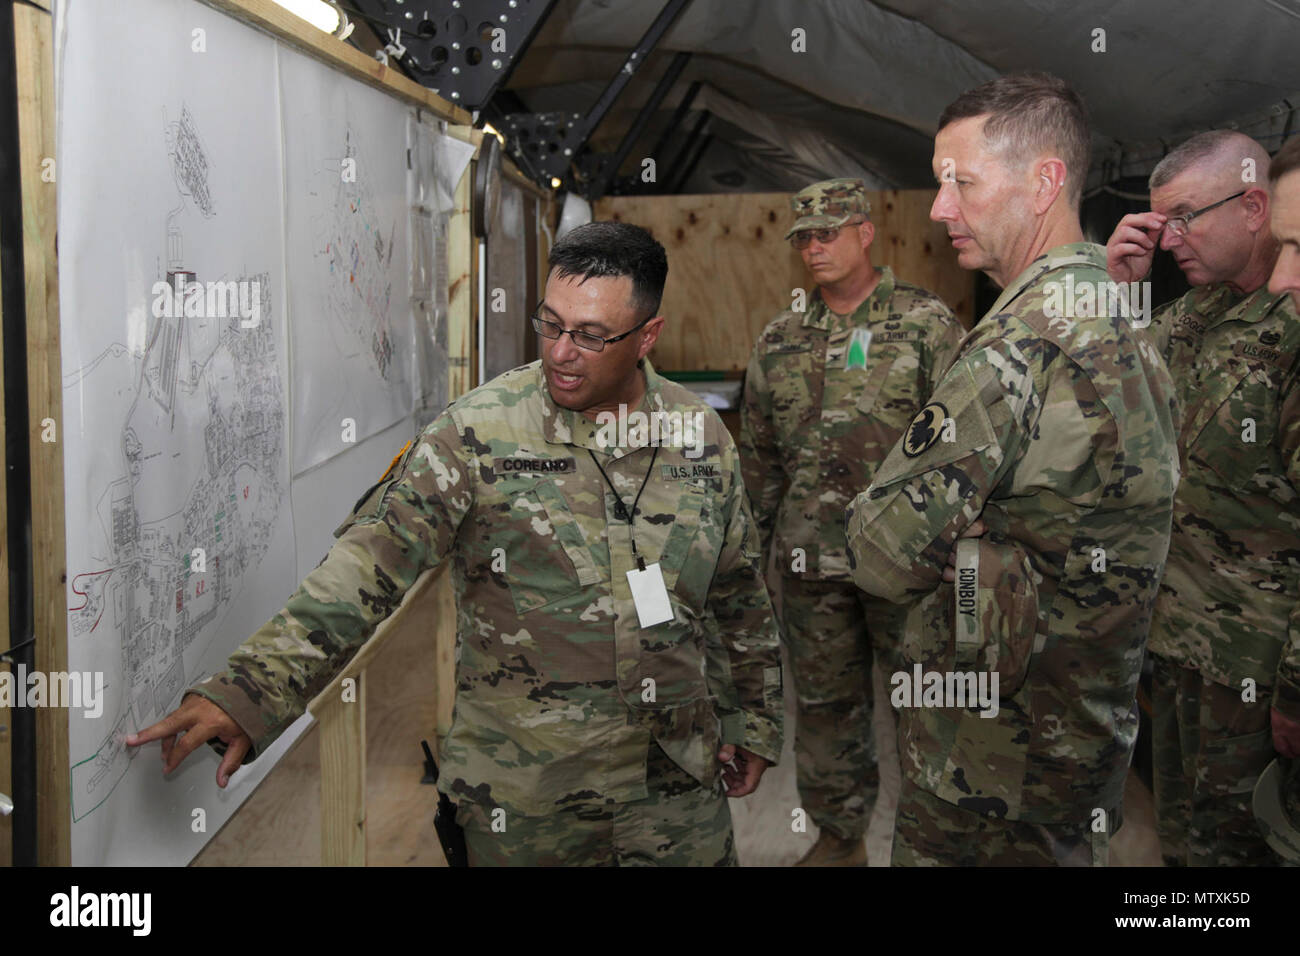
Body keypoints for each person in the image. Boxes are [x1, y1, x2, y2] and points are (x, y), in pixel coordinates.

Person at [128, 221, 784, 867]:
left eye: (589, 336)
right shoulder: (476, 433)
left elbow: (738, 593)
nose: (560, 351)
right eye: (550, 323)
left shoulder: (698, 436)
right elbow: (365, 570)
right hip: (526, 794)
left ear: (647, 337)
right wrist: (249, 690)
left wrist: (753, 719)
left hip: (672, 784)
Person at [845, 72, 1180, 866]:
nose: (939, 207)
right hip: (1080, 737)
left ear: (1044, 181)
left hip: (992, 760)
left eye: (961, 182)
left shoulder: (1020, 344)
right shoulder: (1121, 312)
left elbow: (880, 553)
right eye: (939, 183)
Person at [739, 178, 963, 866]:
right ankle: (841, 842)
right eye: (804, 236)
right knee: (828, 712)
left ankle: (936, 846)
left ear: (866, 232)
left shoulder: (927, 325)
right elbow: (761, 458)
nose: (814, 247)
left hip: (908, 564)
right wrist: (749, 556)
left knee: (926, 709)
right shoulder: (781, 338)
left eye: (827, 232)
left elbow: (966, 447)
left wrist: (958, 551)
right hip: (812, 565)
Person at [1106, 129, 1300, 865]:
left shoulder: (1292, 334)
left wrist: (1296, 691)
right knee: (1185, 842)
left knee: (1246, 848)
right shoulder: (1195, 315)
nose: (1170, 240)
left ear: (1254, 206)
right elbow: (1117, 406)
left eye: (1185, 217)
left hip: (1258, 666)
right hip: (1183, 646)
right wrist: (1121, 296)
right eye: (1161, 223)